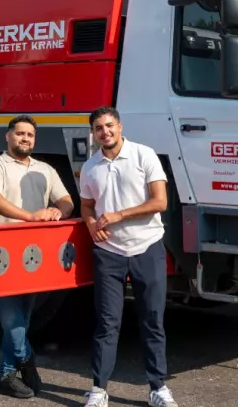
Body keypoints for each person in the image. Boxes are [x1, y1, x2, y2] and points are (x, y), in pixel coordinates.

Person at [78, 107, 176, 407]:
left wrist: (120, 214)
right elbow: (87, 206)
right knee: (107, 323)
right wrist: (92, 225)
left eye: (109, 125)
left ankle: (158, 388)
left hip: (147, 246)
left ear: (120, 126)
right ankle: (98, 390)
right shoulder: (90, 167)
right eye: (98, 128)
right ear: (93, 134)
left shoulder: (144, 155)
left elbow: (160, 202)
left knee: (152, 319)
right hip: (110, 254)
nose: (105, 132)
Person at [0, 115, 75, 398]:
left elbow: (67, 201)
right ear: (7, 137)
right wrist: (30, 217)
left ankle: (6, 374)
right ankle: (26, 358)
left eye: (30, 135)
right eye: (19, 134)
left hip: (33, 253)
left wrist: (58, 212)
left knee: (26, 312)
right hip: (2, 251)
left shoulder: (45, 169)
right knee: (11, 314)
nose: (25, 139)